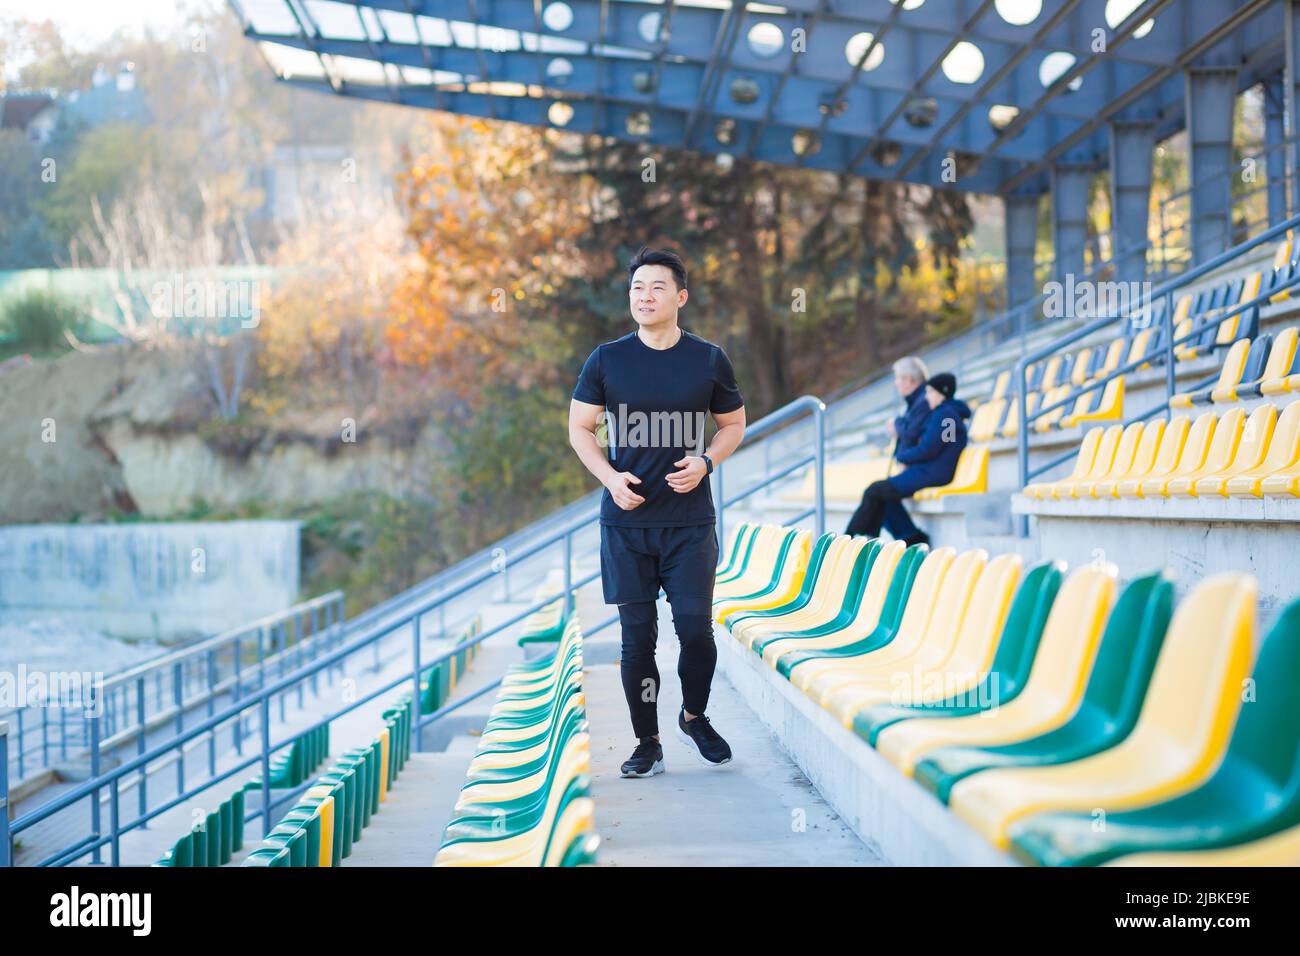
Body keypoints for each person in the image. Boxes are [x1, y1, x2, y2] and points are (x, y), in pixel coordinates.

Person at [568, 246, 747, 778]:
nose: (644, 297)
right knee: (636, 639)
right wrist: (608, 477)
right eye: (637, 288)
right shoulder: (606, 359)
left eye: (657, 287)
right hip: (626, 526)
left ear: (681, 297)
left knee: (695, 630)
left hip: (690, 524)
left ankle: (693, 716)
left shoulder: (709, 358)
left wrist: (707, 462)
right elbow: (580, 429)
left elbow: (733, 425)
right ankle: (647, 741)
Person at [845, 372, 970, 547]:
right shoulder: (945, 413)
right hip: (930, 469)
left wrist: (902, 457)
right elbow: (937, 446)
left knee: (874, 490)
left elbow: (931, 448)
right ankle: (911, 538)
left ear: (941, 393)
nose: (927, 397)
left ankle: (850, 541)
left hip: (934, 472)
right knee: (883, 495)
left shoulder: (947, 416)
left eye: (930, 392)